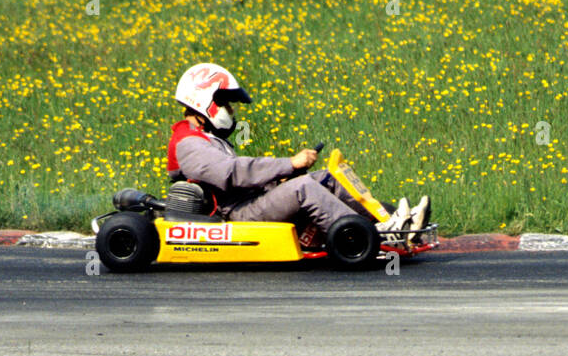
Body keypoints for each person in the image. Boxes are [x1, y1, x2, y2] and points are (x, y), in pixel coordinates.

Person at [167, 63, 429, 238]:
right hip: (237, 213)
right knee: (302, 187)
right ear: (203, 100)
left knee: (325, 177)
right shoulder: (187, 142)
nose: (231, 111)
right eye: (226, 104)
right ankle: (364, 235)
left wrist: (278, 177)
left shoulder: (205, 137)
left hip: (249, 201)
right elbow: (231, 173)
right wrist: (289, 164)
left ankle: (388, 220)